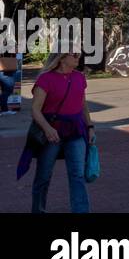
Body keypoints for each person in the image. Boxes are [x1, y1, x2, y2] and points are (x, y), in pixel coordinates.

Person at [18, 50, 95, 213]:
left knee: (78, 175)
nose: (78, 57)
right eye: (74, 54)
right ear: (61, 58)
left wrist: (90, 127)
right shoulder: (46, 79)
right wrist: (47, 129)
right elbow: (35, 110)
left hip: (75, 131)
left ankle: (81, 211)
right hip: (51, 133)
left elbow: (83, 105)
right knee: (43, 176)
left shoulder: (79, 77)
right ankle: (38, 210)